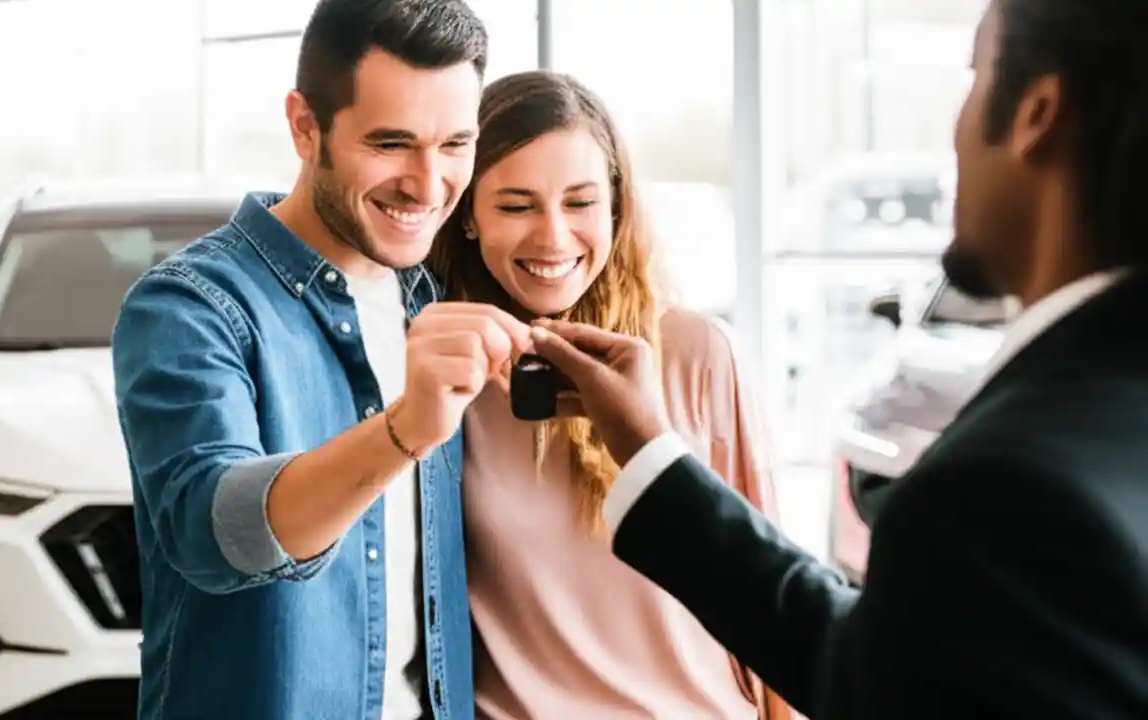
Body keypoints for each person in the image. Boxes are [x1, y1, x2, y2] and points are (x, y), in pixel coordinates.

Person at [525, 1, 1148, 718]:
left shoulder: (1000, 492)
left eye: (973, 76)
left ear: (1037, 115)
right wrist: (650, 450)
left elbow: (871, 682)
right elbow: (874, 657)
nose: (951, 131)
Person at [111, 1, 532, 718]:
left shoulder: (432, 298)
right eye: (392, 144)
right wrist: (404, 430)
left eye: (456, 145)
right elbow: (214, 530)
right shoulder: (190, 306)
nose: (428, 183)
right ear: (305, 126)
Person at [426, 71, 795, 720]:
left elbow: (769, 602)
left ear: (616, 209)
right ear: (468, 219)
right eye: (516, 206)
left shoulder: (700, 354)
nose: (552, 237)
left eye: (580, 203)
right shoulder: (446, 375)